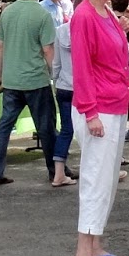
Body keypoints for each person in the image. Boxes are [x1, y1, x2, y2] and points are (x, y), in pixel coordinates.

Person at [67, 0, 129, 256]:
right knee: (95, 179)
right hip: (98, 109)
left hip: (115, 105)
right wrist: (90, 112)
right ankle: (82, 255)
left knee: (107, 179)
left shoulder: (105, 11)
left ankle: (95, 246)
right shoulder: (83, 16)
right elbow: (81, 68)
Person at [0, 0, 58, 187]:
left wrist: (0, 76)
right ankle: (55, 170)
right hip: (36, 79)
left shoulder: (7, 12)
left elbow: (0, 46)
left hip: (11, 80)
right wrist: (52, 74)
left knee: (4, 127)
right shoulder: (43, 14)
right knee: (46, 127)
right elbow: (48, 50)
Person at [50, 15, 78, 186]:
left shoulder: (60, 31)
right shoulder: (88, 29)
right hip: (84, 87)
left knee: (66, 130)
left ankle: (58, 173)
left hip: (64, 85)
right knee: (93, 131)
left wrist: (56, 79)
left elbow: (56, 62)